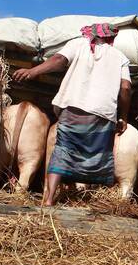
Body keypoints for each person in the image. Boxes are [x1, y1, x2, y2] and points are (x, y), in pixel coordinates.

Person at [12, 23, 131, 206]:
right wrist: (123, 116)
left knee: (62, 149)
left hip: (73, 108)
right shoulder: (120, 57)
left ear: (90, 34)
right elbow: (125, 87)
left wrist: (32, 71)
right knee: (96, 156)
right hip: (103, 114)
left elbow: (59, 60)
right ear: (110, 38)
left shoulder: (78, 44)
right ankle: (90, 201)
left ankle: (49, 199)